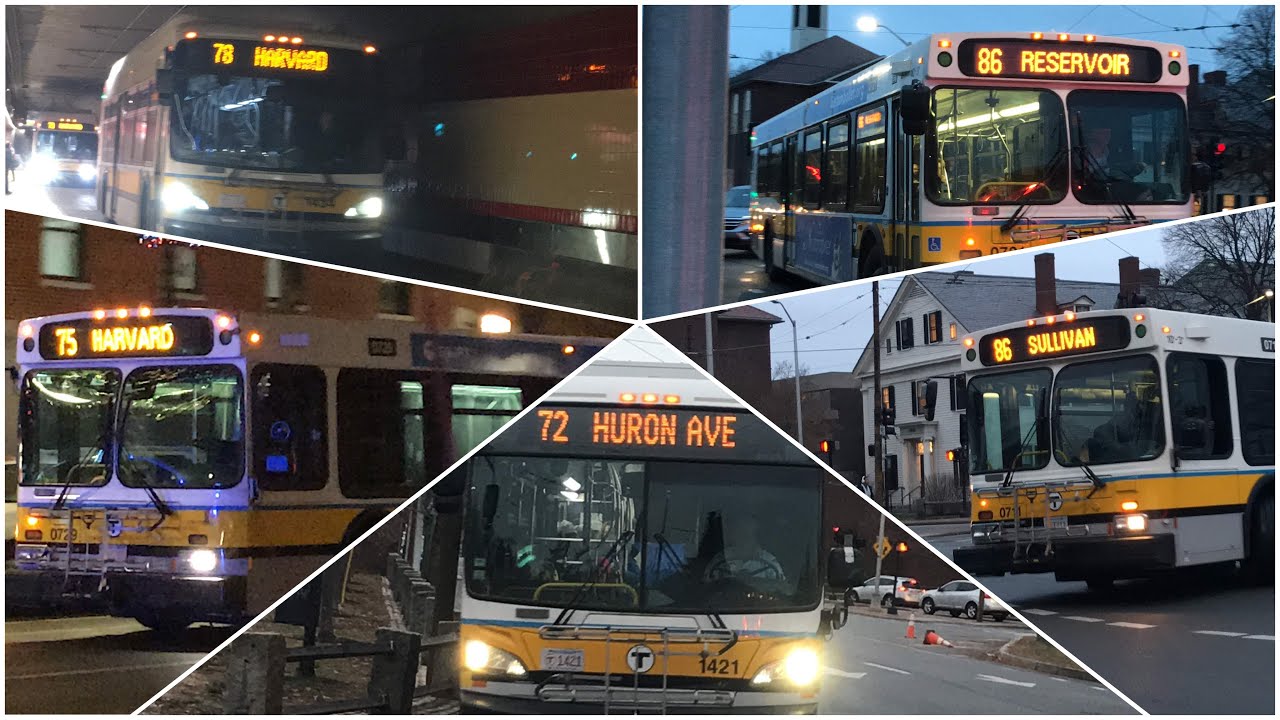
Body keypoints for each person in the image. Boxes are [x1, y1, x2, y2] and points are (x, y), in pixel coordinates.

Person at [704, 514, 786, 582]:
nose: (744, 539)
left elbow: (781, 590)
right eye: (740, 533)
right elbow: (707, 587)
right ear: (733, 535)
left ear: (756, 536)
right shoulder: (721, 559)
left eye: (747, 535)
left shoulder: (769, 561)